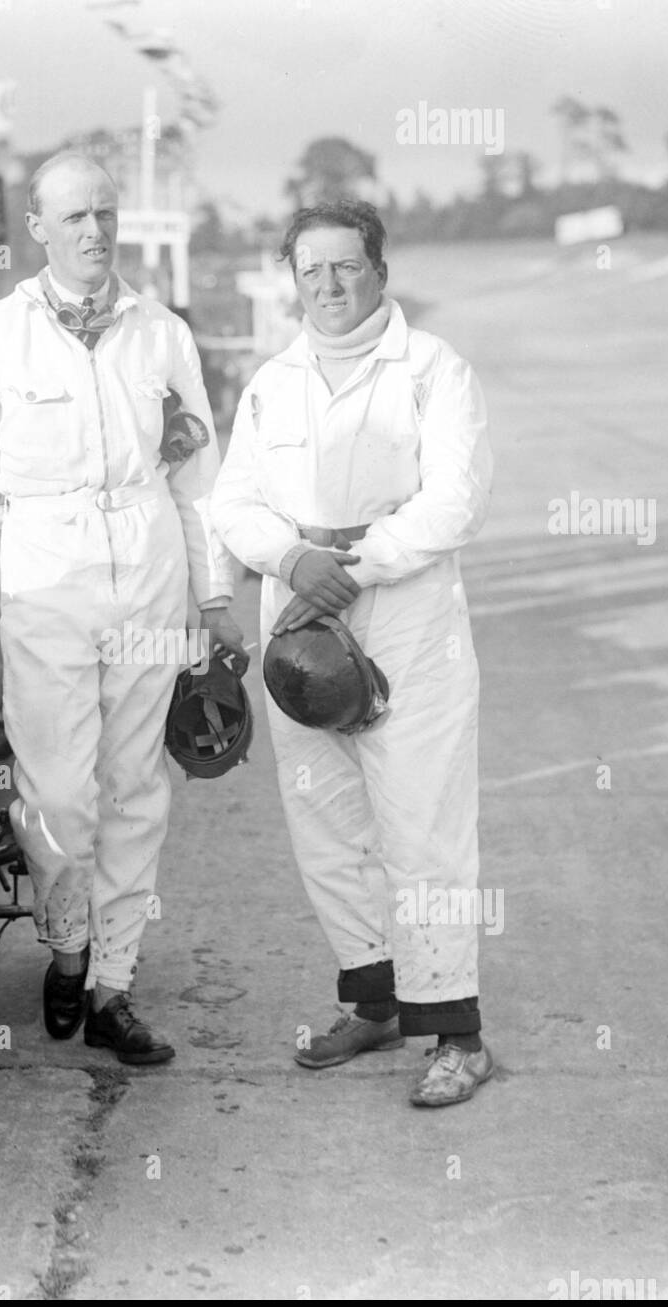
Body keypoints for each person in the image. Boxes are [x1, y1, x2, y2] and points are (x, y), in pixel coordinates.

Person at [0, 153, 246, 1064]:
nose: (94, 230)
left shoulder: (161, 334)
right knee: (56, 796)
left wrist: (217, 594)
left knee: (136, 789)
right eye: (73, 216)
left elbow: (197, 475)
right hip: (43, 578)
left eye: (105, 213)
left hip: (149, 569)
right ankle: (66, 943)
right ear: (35, 229)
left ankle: (113, 982)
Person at [210, 200, 496, 1107]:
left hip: (405, 613)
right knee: (326, 823)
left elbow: (454, 502)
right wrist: (294, 559)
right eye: (309, 270)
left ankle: (456, 1032)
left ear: (380, 270)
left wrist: (359, 565)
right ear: (289, 279)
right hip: (298, 612)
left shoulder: (434, 371)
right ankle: (373, 1000)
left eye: (345, 267)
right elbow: (234, 504)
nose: (328, 287)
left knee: (423, 825)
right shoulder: (271, 383)